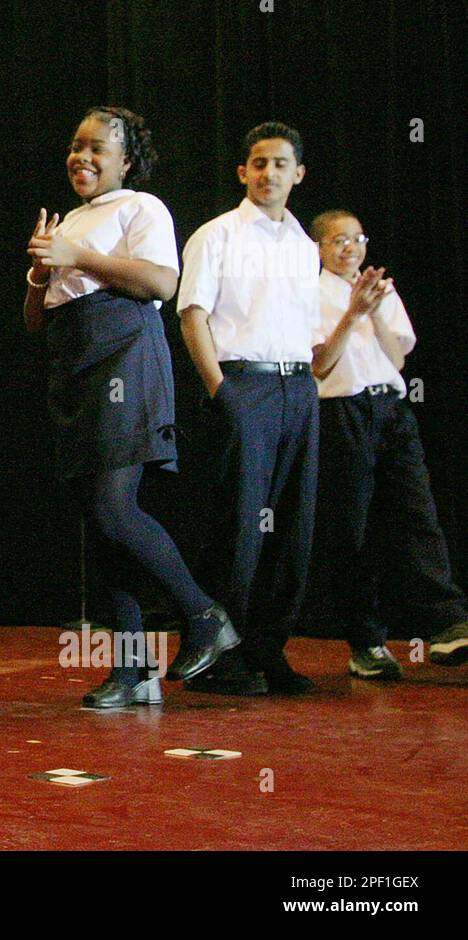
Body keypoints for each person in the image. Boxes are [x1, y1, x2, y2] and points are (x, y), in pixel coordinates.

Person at [24, 106, 238, 709]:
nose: (83, 156)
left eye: (98, 148)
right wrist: (43, 272)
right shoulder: (67, 221)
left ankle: (203, 616)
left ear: (124, 160)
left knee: (115, 509)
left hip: (122, 359)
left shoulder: (142, 208)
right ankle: (132, 670)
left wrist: (75, 254)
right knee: (99, 524)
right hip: (73, 364)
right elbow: (35, 319)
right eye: (76, 144)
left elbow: (161, 284)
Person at [177, 122, 321, 696]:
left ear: (298, 174)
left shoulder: (307, 247)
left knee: (292, 526)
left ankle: (268, 649)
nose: (269, 173)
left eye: (280, 164)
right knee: (239, 525)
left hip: (299, 388)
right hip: (244, 386)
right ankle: (221, 657)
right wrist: (221, 392)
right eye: (258, 163)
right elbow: (192, 315)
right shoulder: (216, 235)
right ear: (243, 172)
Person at [309, 210, 468, 678]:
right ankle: (367, 643)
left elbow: (397, 358)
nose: (351, 248)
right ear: (319, 248)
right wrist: (351, 313)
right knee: (353, 531)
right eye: (339, 240)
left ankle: (447, 626)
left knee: (418, 515)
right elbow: (319, 366)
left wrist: (374, 310)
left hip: (392, 412)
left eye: (357, 239)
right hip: (343, 413)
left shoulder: (381, 290)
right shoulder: (308, 293)